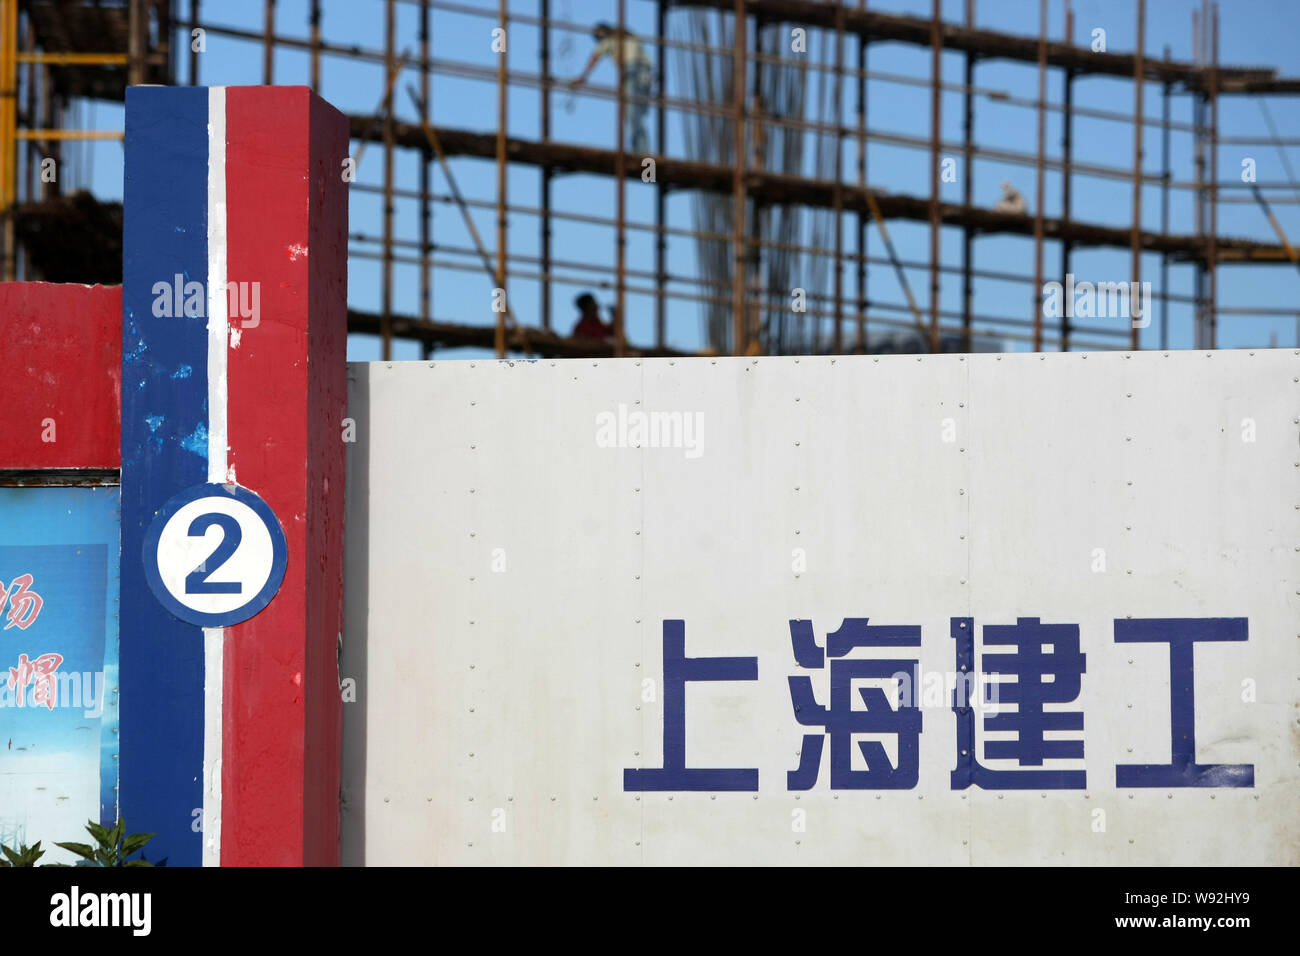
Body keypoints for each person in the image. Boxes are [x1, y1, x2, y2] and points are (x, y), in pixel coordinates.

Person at [569, 23, 653, 153]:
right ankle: (643, 151)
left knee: (632, 114)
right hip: (646, 73)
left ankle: (643, 154)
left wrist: (583, 77)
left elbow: (595, 56)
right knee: (638, 115)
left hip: (632, 72)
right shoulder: (627, 36)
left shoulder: (609, 39)